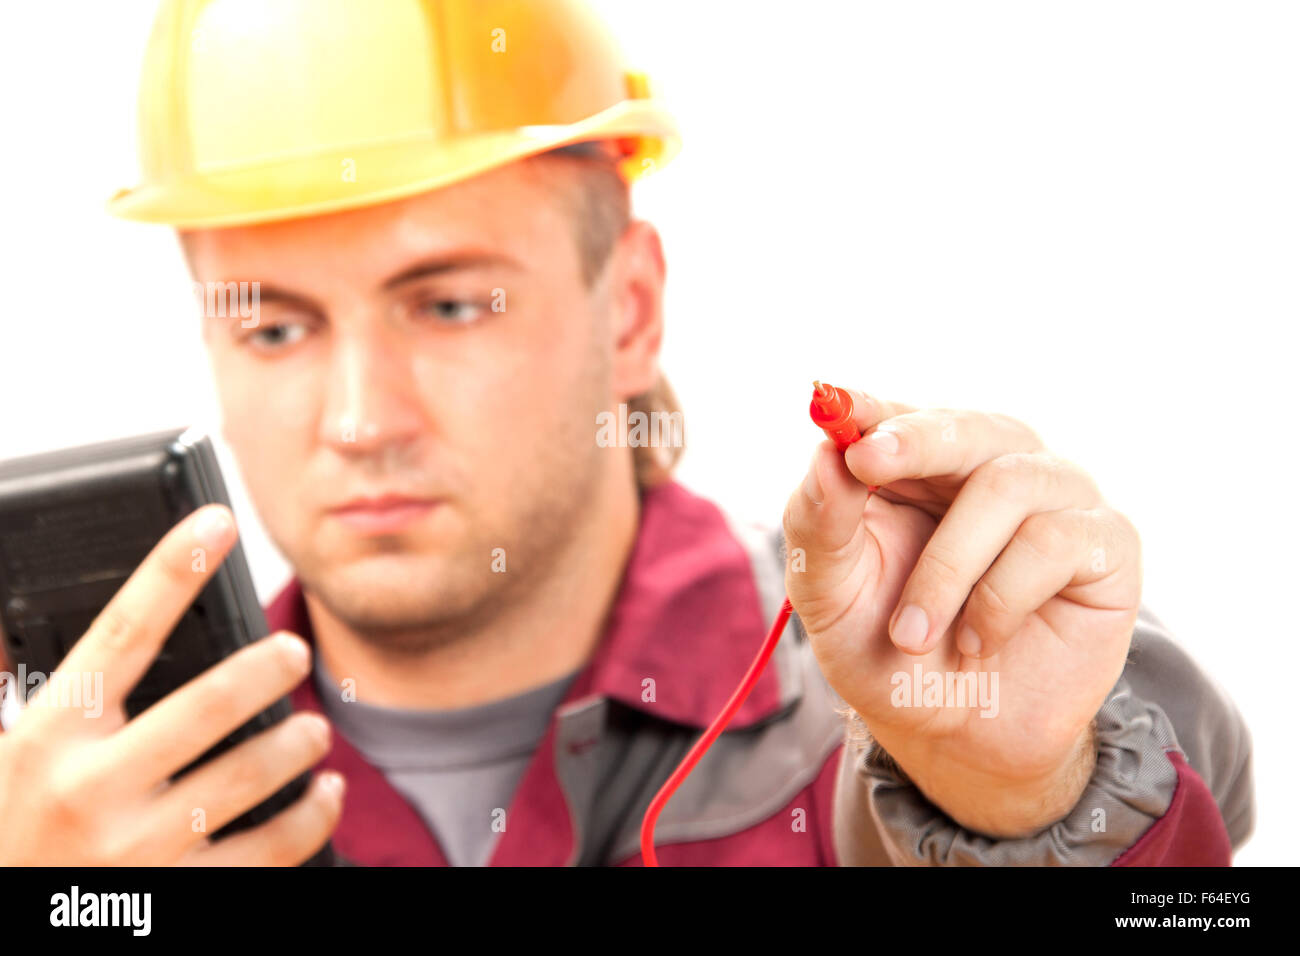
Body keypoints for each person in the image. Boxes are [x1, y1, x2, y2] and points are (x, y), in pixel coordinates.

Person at [0, 0, 1253, 866]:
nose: (360, 418)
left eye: (447, 303)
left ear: (632, 309)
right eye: (275, 329)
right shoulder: (89, 814)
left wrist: (1028, 798)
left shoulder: (905, 705)